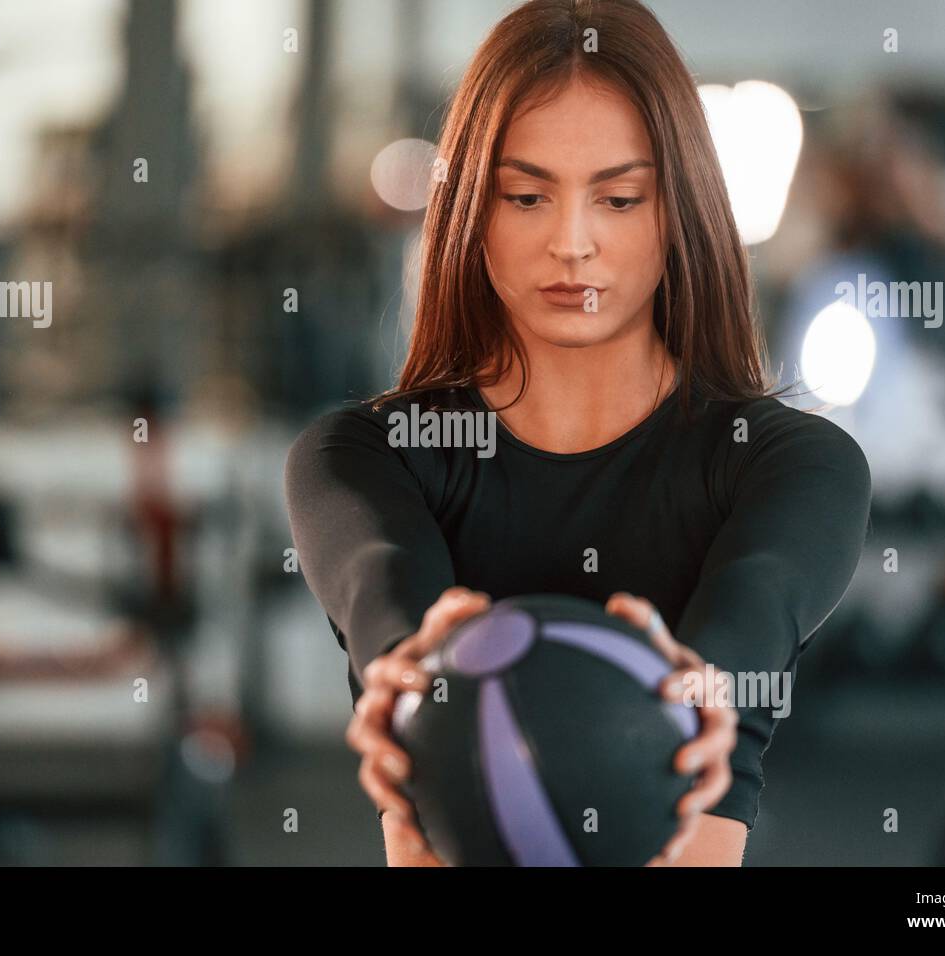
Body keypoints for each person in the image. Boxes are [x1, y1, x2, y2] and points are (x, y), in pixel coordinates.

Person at [284, 0, 872, 867]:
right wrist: (411, 681)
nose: (572, 243)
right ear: (470, 214)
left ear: (680, 211)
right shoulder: (365, 461)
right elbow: (387, 597)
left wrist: (699, 690)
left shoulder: (790, 467)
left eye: (619, 196)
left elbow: (753, 607)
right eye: (526, 195)